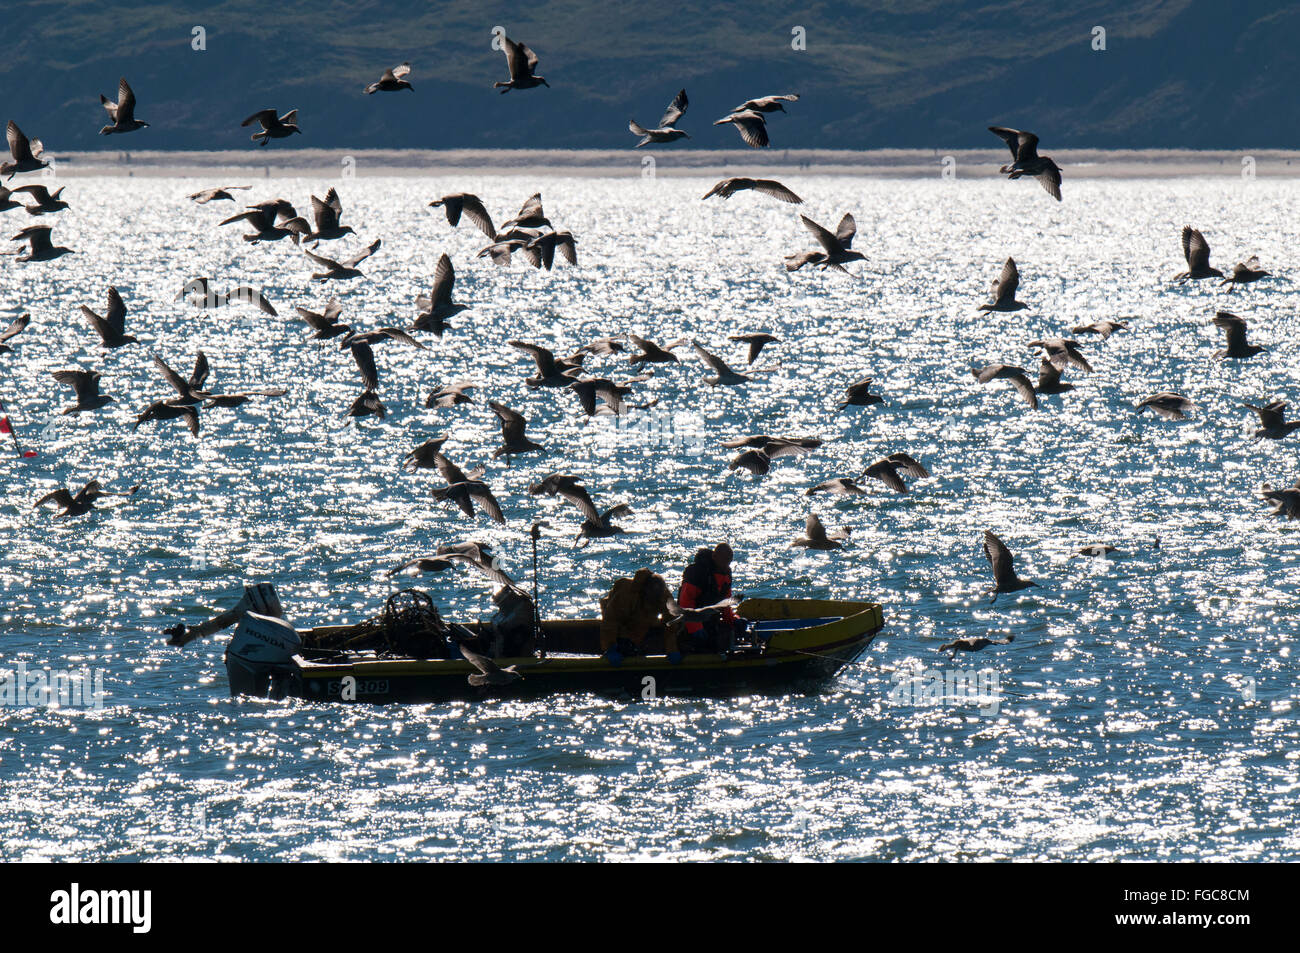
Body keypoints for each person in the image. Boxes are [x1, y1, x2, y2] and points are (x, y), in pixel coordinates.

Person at [599, 568, 674, 659]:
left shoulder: (665, 597)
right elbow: (610, 622)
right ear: (642, 593)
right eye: (649, 602)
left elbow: (671, 622)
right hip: (621, 621)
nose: (651, 605)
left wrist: (672, 649)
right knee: (624, 645)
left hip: (644, 624)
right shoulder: (625, 596)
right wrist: (610, 648)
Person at [678, 543, 739, 653]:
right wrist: (695, 627)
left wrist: (732, 620)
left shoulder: (726, 573)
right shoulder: (697, 572)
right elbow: (685, 602)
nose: (726, 564)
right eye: (724, 560)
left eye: (729, 561)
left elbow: (725, 601)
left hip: (709, 619)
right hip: (689, 621)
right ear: (714, 557)